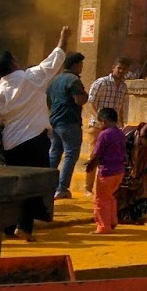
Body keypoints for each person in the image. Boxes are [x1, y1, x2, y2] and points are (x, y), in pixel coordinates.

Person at [0, 28, 69, 241]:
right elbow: (54, 60)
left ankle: (9, 227)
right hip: (36, 140)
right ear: (13, 64)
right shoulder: (31, 78)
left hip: (12, 145)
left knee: (17, 186)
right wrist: (63, 39)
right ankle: (24, 227)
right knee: (33, 186)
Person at [46, 52, 88, 200]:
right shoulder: (73, 80)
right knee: (70, 155)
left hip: (54, 121)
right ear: (76, 65)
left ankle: (47, 186)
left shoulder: (54, 80)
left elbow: (49, 102)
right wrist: (86, 95)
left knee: (54, 154)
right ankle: (62, 188)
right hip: (69, 122)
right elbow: (79, 100)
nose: (82, 67)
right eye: (81, 64)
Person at [86, 106, 127, 234]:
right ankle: (112, 220)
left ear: (104, 121)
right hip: (119, 171)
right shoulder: (120, 133)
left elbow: (97, 152)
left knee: (101, 199)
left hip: (107, 171)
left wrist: (91, 164)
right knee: (110, 197)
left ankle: (103, 226)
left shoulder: (104, 134)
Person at [116, 123, 147, 226]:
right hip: (124, 167)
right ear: (141, 137)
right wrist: (130, 177)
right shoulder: (127, 140)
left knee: (146, 189)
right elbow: (123, 159)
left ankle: (143, 217)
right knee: (124, 189)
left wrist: (141, 175)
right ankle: (122, 216)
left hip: (143, 168)